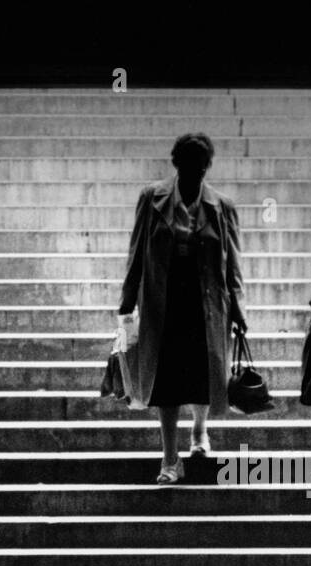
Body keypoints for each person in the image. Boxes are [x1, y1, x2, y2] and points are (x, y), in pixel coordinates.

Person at [119, 132, 247, 484]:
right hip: (165, 301)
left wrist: (239, 309)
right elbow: (137, 251)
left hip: (207, 302)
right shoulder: (152, 198)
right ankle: (170, 458)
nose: (195, 174)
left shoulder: (222, 206)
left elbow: (233, 263)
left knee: (204, 371)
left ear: (207, 167)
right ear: (176, 164)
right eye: (189, 166)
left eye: (201, 167)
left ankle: (200, 430)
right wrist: (127, 300)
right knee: (167, 379)